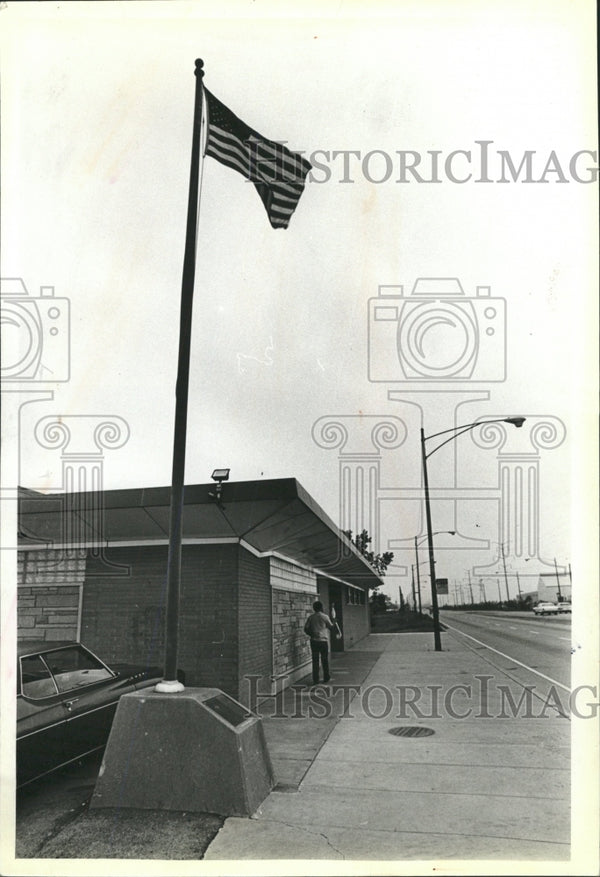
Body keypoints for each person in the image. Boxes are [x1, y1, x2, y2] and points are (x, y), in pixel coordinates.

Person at [304, 600, 339, 684]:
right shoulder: (325, 617)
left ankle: (315, 679)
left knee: (315, 660)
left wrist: (311, 634)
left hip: (314, 641)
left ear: (314, 608)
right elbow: (331, 627)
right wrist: (334, 622)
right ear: (321, 608)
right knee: (324, 660)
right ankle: (326, 677)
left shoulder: (311, 617)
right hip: (323, 641)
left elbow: (306, 628)